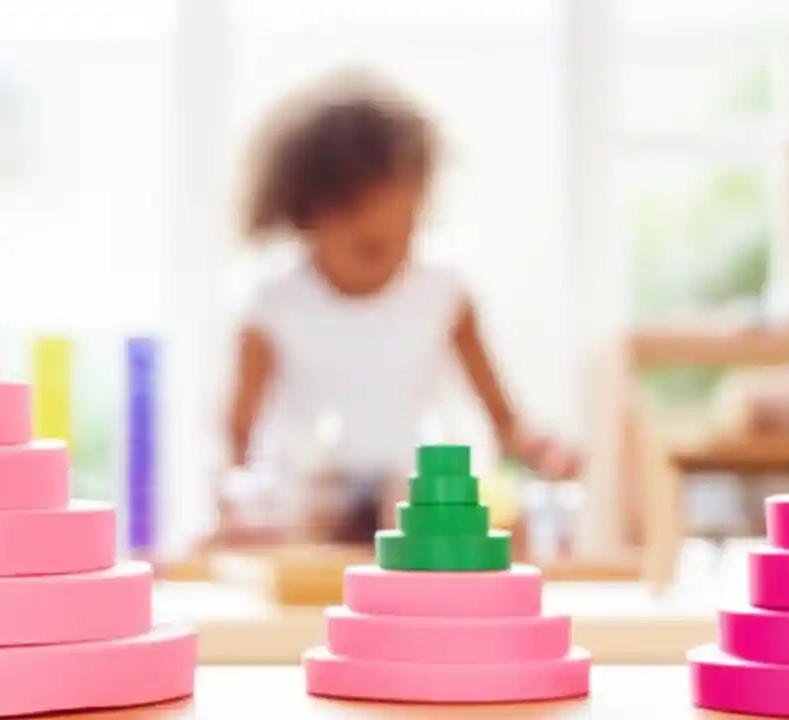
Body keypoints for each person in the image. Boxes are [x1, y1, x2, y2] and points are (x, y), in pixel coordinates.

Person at [220, 72, 580, 544]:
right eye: (367, 246)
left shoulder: (444, 293)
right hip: (308, 513)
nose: (389, 257)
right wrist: (238, 507)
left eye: (406, 232)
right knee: (317, 513)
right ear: (307, 213)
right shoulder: (272, 301)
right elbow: (237, 434)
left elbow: (505, 421)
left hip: (408, 511)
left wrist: (544, 453)